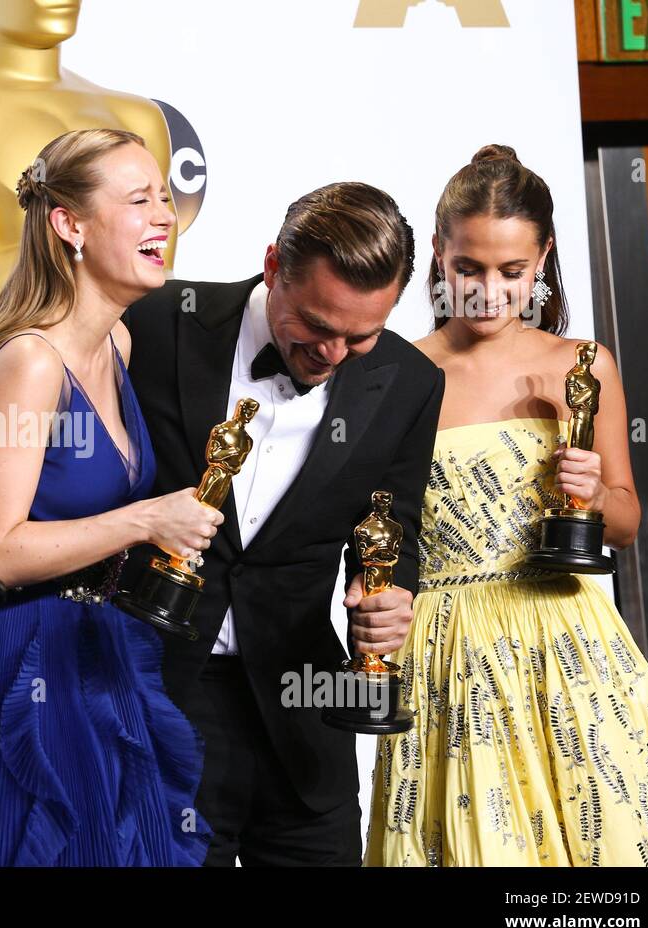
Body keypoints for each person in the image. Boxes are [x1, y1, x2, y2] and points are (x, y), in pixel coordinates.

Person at [365, 144, 648, 866]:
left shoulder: (583, 364)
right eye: (468, 268)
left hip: (565, 646)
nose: (488, 290)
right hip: (444, 652)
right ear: (440, 255)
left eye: (512, 272)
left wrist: (595, 493)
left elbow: (630, 521)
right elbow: (376, 526)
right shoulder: (396, 371)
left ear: (541, 258)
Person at [0, 128, 223, 866]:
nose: (165, 216)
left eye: (164, 196)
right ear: (70, 225)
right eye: (138, 200)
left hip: (105, 651)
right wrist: (148, 518)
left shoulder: (118, 342)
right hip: (21, 663)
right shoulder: (29, 362)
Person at [124, 182, 444, 866]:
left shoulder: (410, 381)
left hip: (304, 710)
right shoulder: (155, 322)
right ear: (274, 267)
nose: (333, 354)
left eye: (360, 335)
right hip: (161, 693)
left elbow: (395, 528)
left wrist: (390, 597)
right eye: (316, 326)